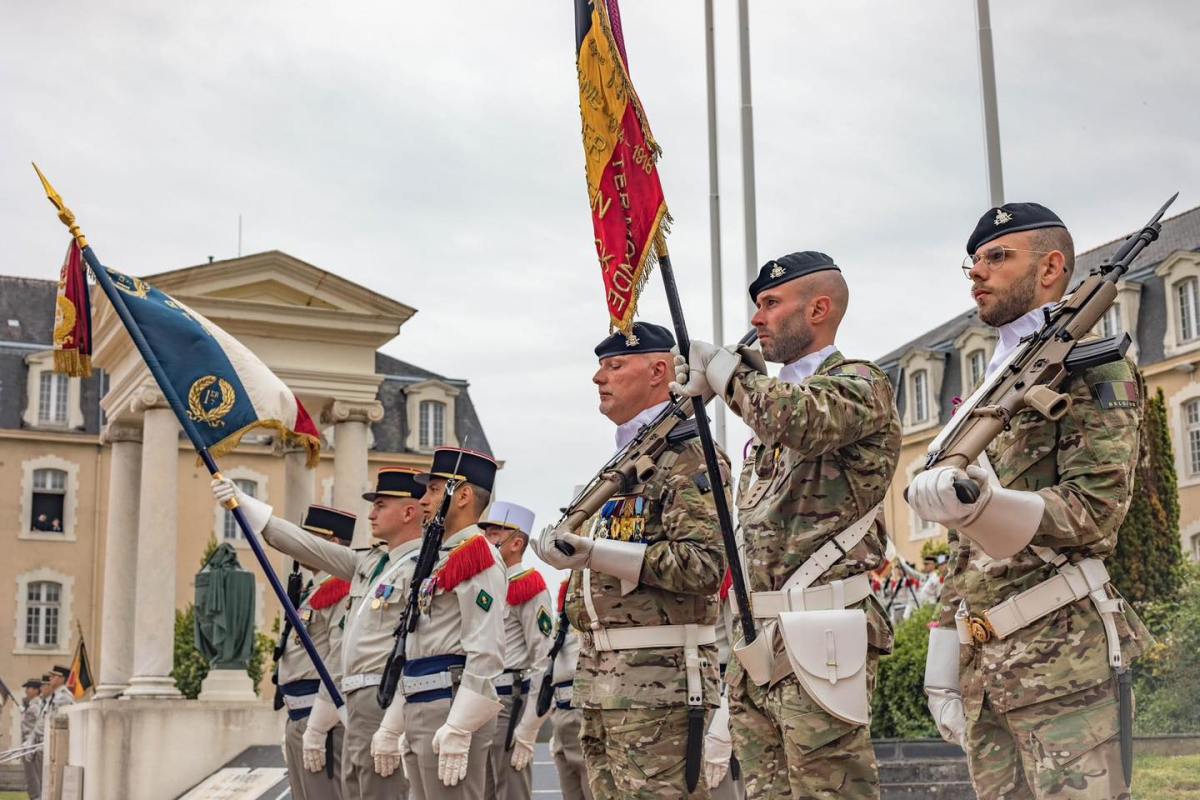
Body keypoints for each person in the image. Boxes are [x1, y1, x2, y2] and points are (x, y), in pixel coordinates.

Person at [908, 202, 1151, 799]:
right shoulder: (997, 377)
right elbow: (968, 551)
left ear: (1050, 268)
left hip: (1064, 667)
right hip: (986, 673)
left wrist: (984, 505)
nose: (977, 273)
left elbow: (1096, 513)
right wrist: (944, 643)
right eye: (973, 262)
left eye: (997, 257)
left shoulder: (1096, 367)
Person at [672, 251, 902, 799]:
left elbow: (797, 417)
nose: (757, 319)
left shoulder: (860, 383)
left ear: (818, 309)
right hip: (761, 639)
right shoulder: (768, 413)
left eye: (772, 304)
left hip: (824, 630)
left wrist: (725, 374)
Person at [534, 321, 728, 800]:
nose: (600, 378)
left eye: (615, 365)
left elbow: (705, 566)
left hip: (659, 683)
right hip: (604, 680)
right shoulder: (622, 464)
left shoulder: (690, 454)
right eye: (600, 367)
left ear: (659, 370)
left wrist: (596, 554)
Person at [212, 466, 427, 799]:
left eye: (381, 505)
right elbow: (308, 546)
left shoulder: (422, 567)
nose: (371, 514)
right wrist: (246, 506)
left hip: (383, 698)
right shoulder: (369, 564)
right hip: (355, 699)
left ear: (409, 511)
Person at [400, 447, 508, 800]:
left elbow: (487, 648)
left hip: (450, 703)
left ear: (462, 495)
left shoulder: (477, 555)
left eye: (433, 489)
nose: (423, 499)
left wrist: (461, 727)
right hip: (423, 700)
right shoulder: (440, 558)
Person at [274, 505, 356, 800]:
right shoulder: (312, 590)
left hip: (321, 715)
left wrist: (319, 725)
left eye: (310, 538)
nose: (302, 546)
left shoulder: (341, 589)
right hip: (297, 712)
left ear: (332, 544)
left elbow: (338, 659)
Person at [477, 501, 554, 800]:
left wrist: (529, 726)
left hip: (511, 699)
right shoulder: (488, 585)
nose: (488, 541)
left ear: (516, 542)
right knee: (482, 790)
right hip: (481, 699)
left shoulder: (528, 585)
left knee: (509, 789)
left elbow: (543, 659)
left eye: (496, 534)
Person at [21, 678, 43, 800]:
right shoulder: (31, 705)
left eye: (28, 688)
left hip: (32, 747)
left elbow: (38, 725)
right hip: (28, 745)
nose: (26, 691)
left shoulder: (36, 705)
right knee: (31, 779)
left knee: (33, 778)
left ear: (36, 690)